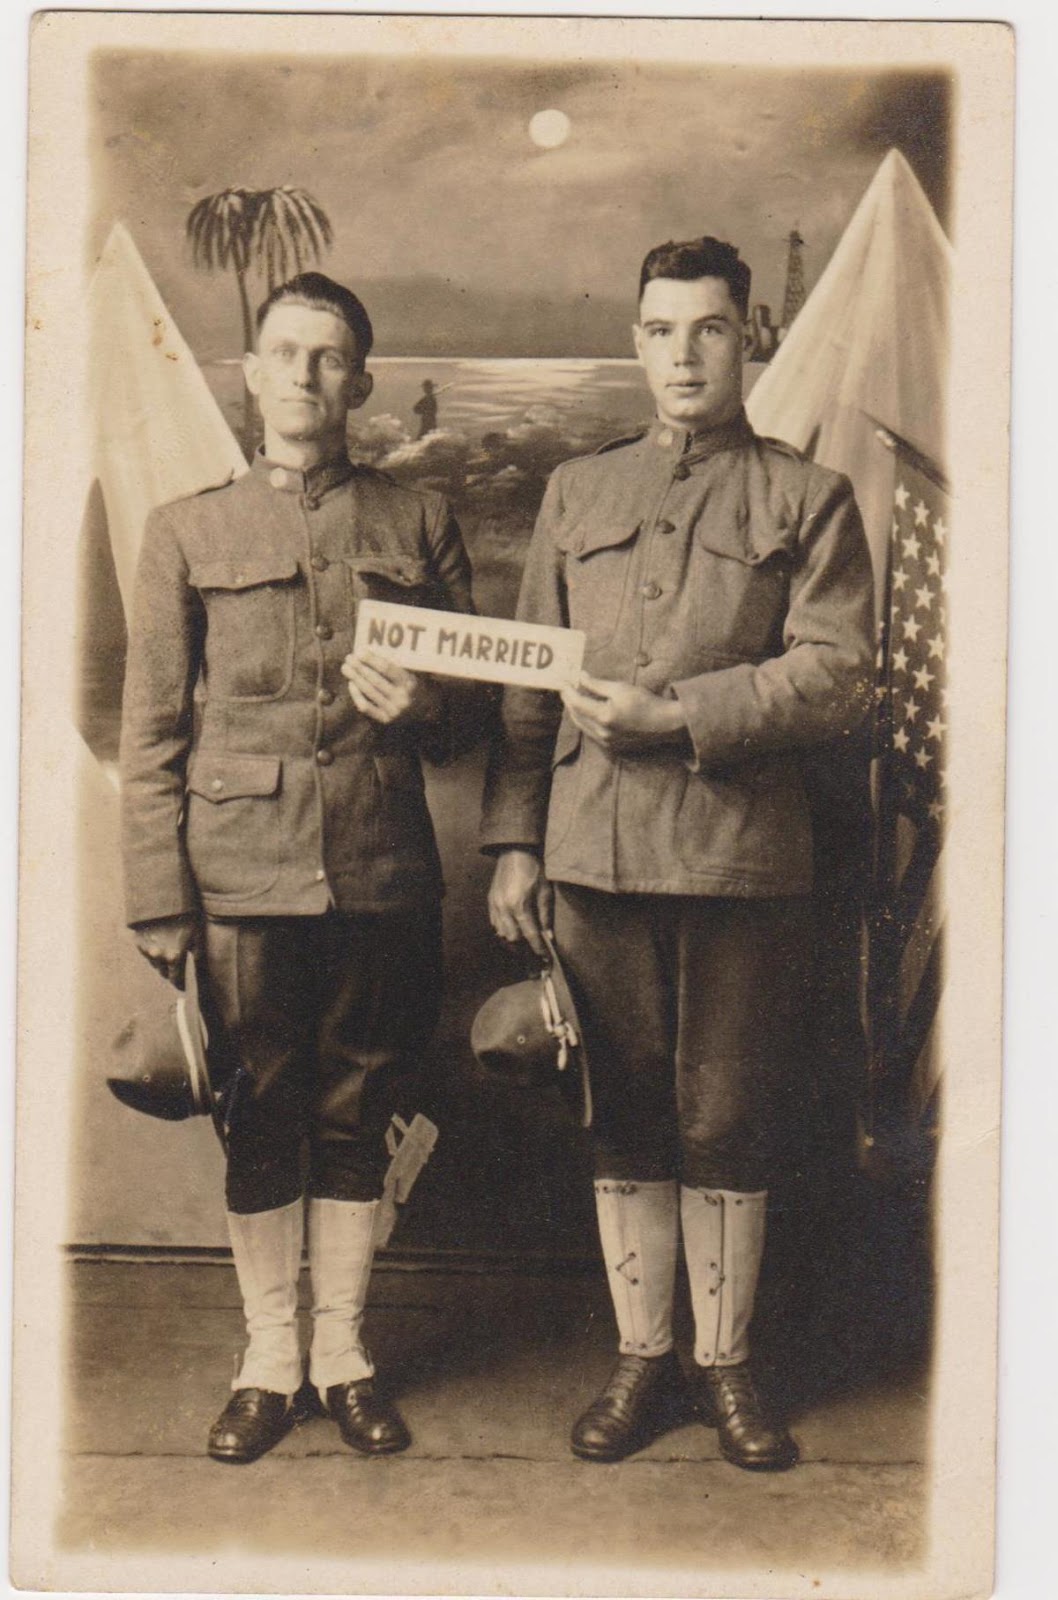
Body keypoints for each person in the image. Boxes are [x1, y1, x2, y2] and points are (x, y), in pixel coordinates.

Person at [481, 236, 874, 1471]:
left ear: (745, 335)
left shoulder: (805, 496)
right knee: (621, 1112)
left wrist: (680, 714)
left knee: (728, 1116)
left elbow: (838, 673)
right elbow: (531, 685)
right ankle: (642, 1356)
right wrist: (512, 843)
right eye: (660, 330)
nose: (683, 354)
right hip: (591, 856)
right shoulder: (576, 491)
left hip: (739, 858)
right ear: (635, 341)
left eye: (708, 328)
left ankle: (726, 1365)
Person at [120, 271, 488, 1465]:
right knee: (259, 1115)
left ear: (360, 383)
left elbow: (475, 718)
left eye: (328, 357)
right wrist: (158, 895)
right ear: (251, 374)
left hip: (381, 868)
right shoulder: (187, 530)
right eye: (284, 352)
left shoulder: (416, 520)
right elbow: (151, 734)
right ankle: (268, 1359)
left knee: (359, 1112)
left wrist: (424, 703)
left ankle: (342, 1355)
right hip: (240, 877)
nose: (304, 375)